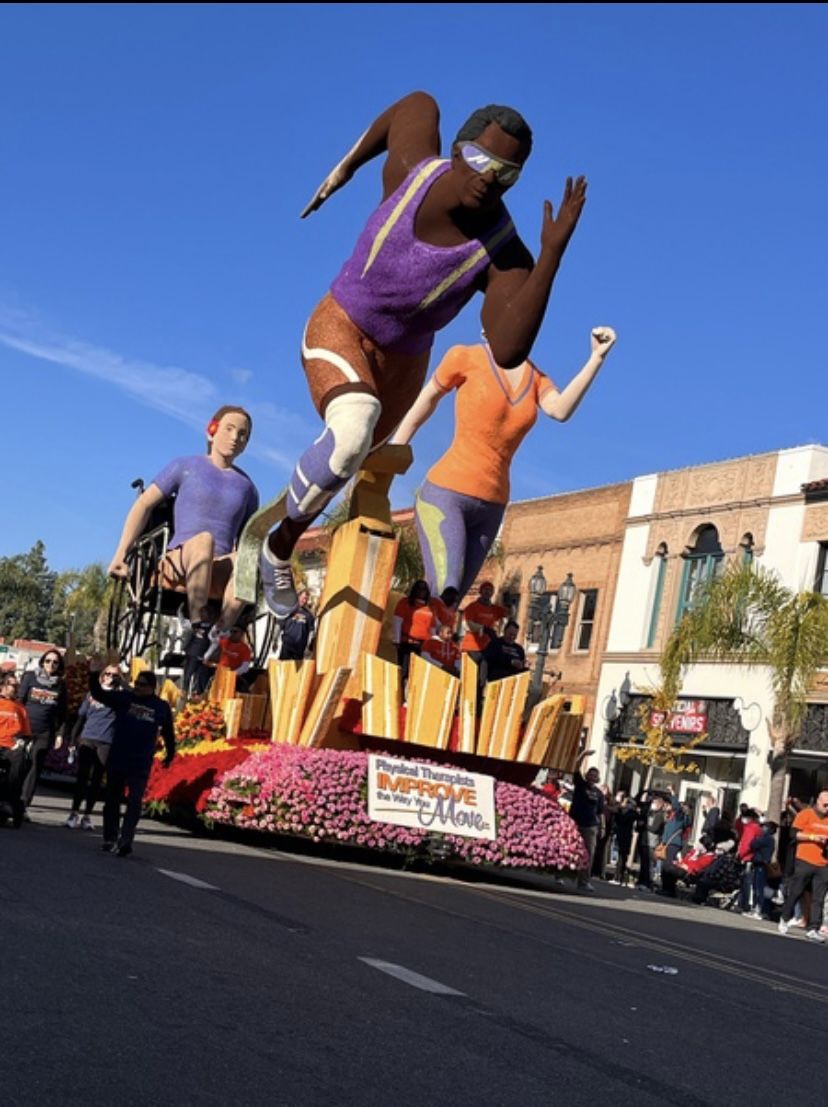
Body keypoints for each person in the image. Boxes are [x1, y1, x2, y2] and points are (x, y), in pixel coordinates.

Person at [258, 92, 587, 617]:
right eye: (481, 161)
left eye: (506, 174)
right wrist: (343, 169)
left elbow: (507, 348)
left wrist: (550, 256)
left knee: (357, 456)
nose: (488, 179)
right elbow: (410, 107)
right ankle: (277, 551)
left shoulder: (502, 250)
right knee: (352, 430)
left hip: (403, 369)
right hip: (342, 324)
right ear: (458, 151)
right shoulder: (414, 170)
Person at [391, 326, 615, 598]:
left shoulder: (536, 378)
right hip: (446, 493)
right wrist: (394, 448)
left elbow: (560, 410)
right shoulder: (465, 356)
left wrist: (596, 359)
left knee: (454, 600)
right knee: (445, 585)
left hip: (493, 505)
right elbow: (427, 398)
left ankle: (433, 635)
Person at [108, 406, 259, 632]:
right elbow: (144, 504)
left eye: (242, 434)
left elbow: (248, 541)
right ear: (212, 429)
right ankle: (197, 621)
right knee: (204, 541)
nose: (235, 437)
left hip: (220, 565)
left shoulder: (247, 488)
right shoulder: (185, 466)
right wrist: (120, 554)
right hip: (179, 558)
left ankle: (222, 631)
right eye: (229, 429)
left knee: (246, 558)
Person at [88, 659, 176, 858]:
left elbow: (169, 733)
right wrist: (94, 675)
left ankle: (126, 839)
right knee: (112, 799)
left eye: (143, 685)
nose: (138, 687)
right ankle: (110, 836)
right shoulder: (124, 699)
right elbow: (98, 694)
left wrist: (170, 754)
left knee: (134, 801)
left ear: (153, 688)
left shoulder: (160, 707)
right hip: (118, 757)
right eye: (136, 683)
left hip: (140, 761)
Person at [64, 664, 120, 831]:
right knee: (82, 777)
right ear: (102, 676)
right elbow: (80, 718)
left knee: (96, 780)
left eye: (115, 675)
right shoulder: (92, 694)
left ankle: (87, 815)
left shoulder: (120, 697)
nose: (110, 677)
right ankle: (74, 812)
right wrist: (73, 740)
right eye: (107, 673)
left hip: (106, 741)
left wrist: (120, 684)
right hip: (88, 738)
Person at [19, 648, 68, 816]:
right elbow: (20, 701)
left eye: (55, 662)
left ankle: (23, 804)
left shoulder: (61, 685)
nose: (51, 665)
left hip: (45, 731)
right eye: (48, 661)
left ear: (59, 665)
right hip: (24, 728)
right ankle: (9, 797)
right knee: (18, 763)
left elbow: (63, 713)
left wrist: (60, 734)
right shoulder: (30, 678)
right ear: (42, 662)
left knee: (34, 764)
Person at [777, 790, 828, 943]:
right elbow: (794, 834)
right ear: (818, 802)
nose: (827, 807)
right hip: (804, 860)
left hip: (824, 863)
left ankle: (813, 928)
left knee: (818, 897)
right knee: (796, 891)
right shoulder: (805, 814)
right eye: (825, 804)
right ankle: (784, 918)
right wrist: (813, 837)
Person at [570, 749, 604, 891]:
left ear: (597, 778)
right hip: (575, 822)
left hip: (590, 826)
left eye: (595, 775)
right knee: (570, 849)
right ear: (586, 775)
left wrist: (602, 828)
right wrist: (583, 754)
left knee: (588, 853)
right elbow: (575, 766)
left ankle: (583, 881)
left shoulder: (599, 793)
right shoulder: (580, 784)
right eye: (590, 773)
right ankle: (560, 875)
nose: (592, 776)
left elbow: (600, 812)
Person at [392, 580, 435, 690]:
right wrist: (396, 640)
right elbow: (397, 621)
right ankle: (401, 696)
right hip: (407, 643)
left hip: (423, 646)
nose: (421, 591)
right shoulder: (405, 602)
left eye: (424, 589)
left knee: (418, 673)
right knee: (404, 672)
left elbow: (433, 627)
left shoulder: (429, 607)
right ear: (414, 590)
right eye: (419, 588)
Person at [0, 671, 30, 826]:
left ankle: (8, 800)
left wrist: (21, 742)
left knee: (20, 760)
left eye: (17, 685)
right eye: (12, 685)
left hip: (11, 746)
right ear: (3, 686)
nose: (15, 688)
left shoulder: (20, 708)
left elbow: (26, 732)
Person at [460, 581, 509, 662]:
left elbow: (508, 613)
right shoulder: (472, 607)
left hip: (487, 647)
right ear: (480, 591)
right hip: (471, 646)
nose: (488, 592)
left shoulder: (494, 609)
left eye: (490, 590)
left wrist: (508, 602)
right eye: (485, 589)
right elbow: (466, 624)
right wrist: (482, 628)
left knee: (483, 672)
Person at [278, 591, 316, 661]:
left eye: (306, 599)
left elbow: (311, 631)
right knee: (282, 665)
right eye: (303, 598)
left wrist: (308, 646)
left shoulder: (309, 615)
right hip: (287, 644)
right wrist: (275, 640)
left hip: (299, 647)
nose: (304, 601)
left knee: (297, 669)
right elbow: (280, 626)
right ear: (298, 596)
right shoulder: (288, 610)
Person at [610, 792, 637, 886]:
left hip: (621, 833)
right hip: (628, 835)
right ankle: (620, 877)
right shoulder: (633, 813)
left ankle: (617, 877)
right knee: (623, 856)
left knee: (620, 856)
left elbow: (618, 818)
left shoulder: (622, 811)